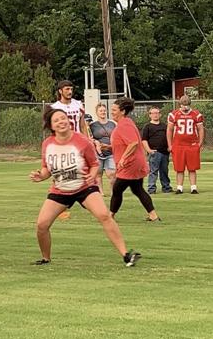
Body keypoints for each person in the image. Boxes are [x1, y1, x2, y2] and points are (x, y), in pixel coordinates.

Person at [29, 107, 140, 266]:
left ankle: (126, 255)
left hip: (84, 188)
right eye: (56, 120)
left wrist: (93, 175)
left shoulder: (81, 140)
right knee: (42, 225)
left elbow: (94, 164)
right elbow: (47, 169)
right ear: (51, 126)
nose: (61, 122)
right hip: (60, 190)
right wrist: (41, 176)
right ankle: (45, 258)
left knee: (104, 215)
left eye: (63, 118)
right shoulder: (47, 144)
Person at [109, 98, 160, 222]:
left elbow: (133, 143)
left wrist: (123, 159)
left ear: (123, 111)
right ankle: (153, 215)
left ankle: (110, 216)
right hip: (134, 162)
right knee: (138, 189)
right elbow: (124, 143)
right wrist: (108, 146)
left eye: (114, 110)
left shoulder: (124, 125)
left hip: (129, 164)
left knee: (117, 189)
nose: (112, 112)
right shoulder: (126, 122)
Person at [49, 80, 89, 220]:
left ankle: (89, 201)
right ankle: (59, 206)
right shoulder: (54, 107)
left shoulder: (78, 104)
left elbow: (82, 125)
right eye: (66, 89)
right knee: (60, 174)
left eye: (71, 89)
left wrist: (87, 140)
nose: (70, 91)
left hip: (78, 143)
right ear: (60, 91)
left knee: (85, 172)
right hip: (63, 145)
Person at [166, 95, 205, 194]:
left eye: (187, 105)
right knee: (179, 168)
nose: (185, 107)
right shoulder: (174, 114)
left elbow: (201, 129)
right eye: (183, 105)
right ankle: (179, 187)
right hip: (178, 145)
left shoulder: (196, 114)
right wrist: (170, 145)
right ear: (180, 105)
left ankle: (193, 187)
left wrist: (200, 143)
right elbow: (169, 130)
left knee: (192, 168)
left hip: (192, 145)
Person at [141, 105, 172, 194]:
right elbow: (144, 140)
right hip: (154, 152)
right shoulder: (147, 126)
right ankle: (151, 189)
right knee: (153, 171)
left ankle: (166, 187)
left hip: (165, 153)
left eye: (157, 113)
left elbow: (169, 137)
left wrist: (170, 147)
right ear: (150, 115)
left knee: (164, 171)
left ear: (160, 115)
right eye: (153, 113)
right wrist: (149, 150)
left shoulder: (164, 126)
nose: (155, 115)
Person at [89, 103, 117, 193]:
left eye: (104, 110)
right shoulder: (92, 125)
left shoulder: (113, 123)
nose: (103, 112)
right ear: (97, 112)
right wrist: (95, 142)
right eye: (101, 111)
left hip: (111, 152)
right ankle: (101, 192)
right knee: (98, 174)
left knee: (112, 173)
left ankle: (113, 191)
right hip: (97, 153)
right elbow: (89, 137)